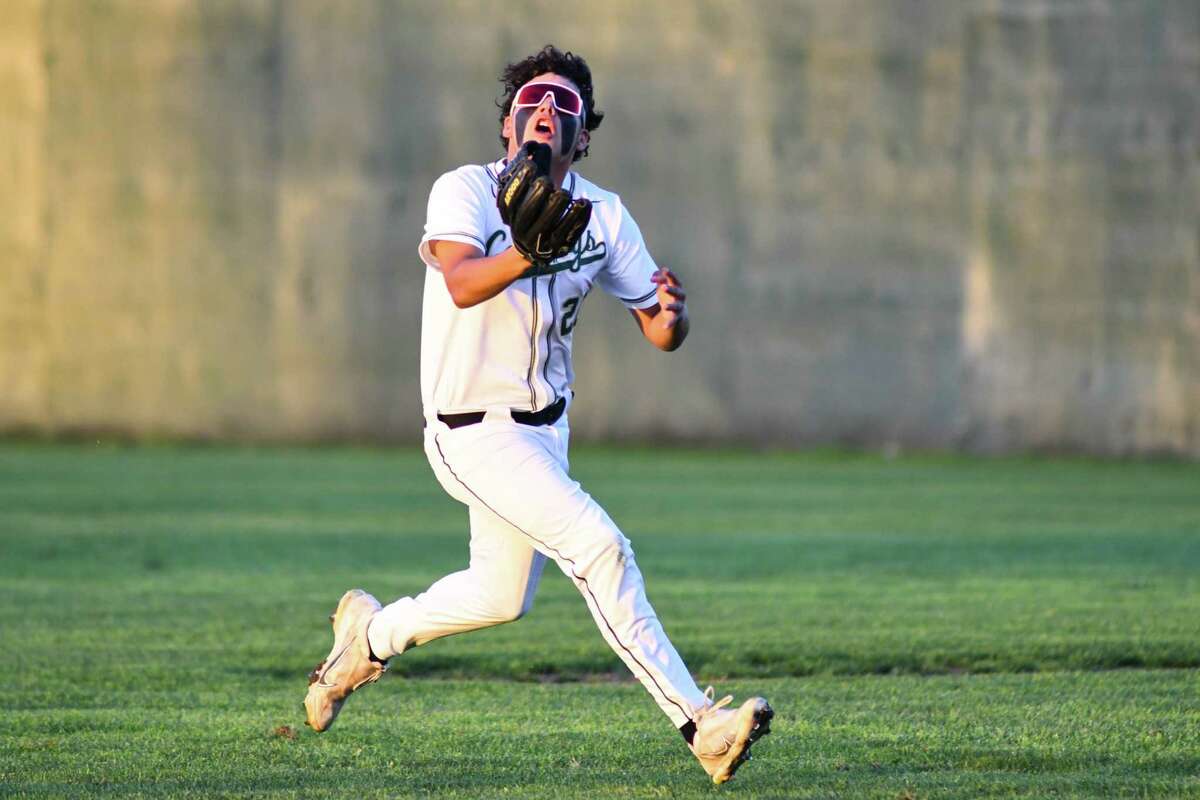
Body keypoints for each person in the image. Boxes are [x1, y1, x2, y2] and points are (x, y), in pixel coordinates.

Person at [303, 45, 772, 784]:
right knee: (600, 547)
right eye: (532, 100)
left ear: (582, 137)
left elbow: (659, 328)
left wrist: (673, 315)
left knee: (499, 595)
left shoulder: (603, 215)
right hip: (469, 430)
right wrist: (527, 253)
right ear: (509, 125)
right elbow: (461, 283)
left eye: (565, 103)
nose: (547, 108)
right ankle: (701, 725)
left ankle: (369, 638)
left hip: (545, 431)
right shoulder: (464, 189)